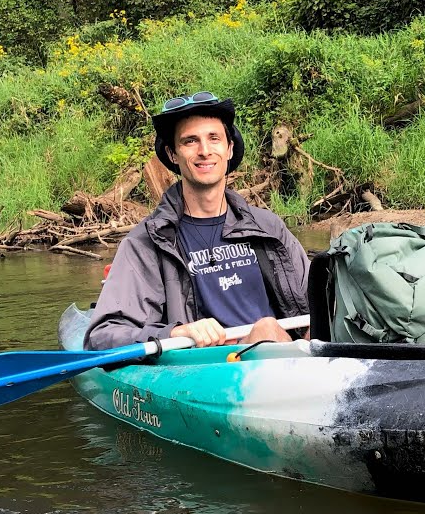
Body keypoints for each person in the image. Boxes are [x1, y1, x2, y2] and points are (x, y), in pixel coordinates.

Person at [85, 91, 310, 350]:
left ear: (229, 149)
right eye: (190, 141)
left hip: (285, 360)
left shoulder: (268, 227)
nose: (205, 151)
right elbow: (104, 336)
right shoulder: (146, 243)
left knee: (268, 328)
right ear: (172, 154)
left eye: (214, 138)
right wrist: (178, 332)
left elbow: (314, 303)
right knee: (266, 328)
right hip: (205, 367)